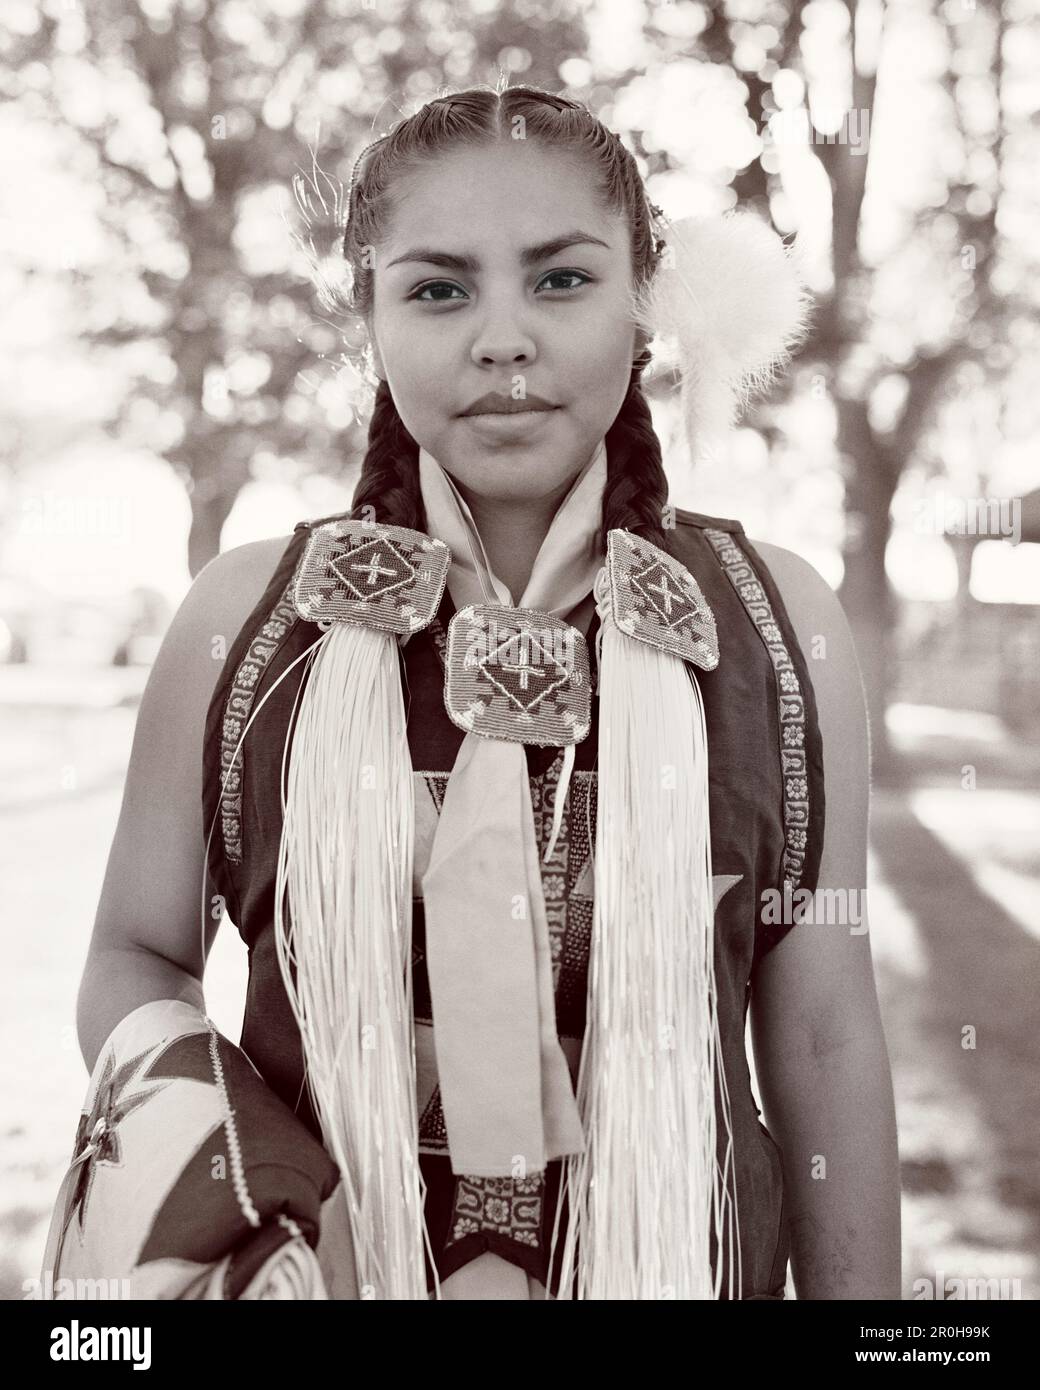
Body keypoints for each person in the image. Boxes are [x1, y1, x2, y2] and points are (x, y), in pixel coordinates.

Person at [75, 84, 901, 1300]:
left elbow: (822, 1030)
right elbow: (135, 956)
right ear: (368, 314)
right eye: (437, 287)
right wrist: (244, 1176)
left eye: (561, 279)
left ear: (643, 305)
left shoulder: (770, 626)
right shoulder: (247, 625)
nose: (501, 337)